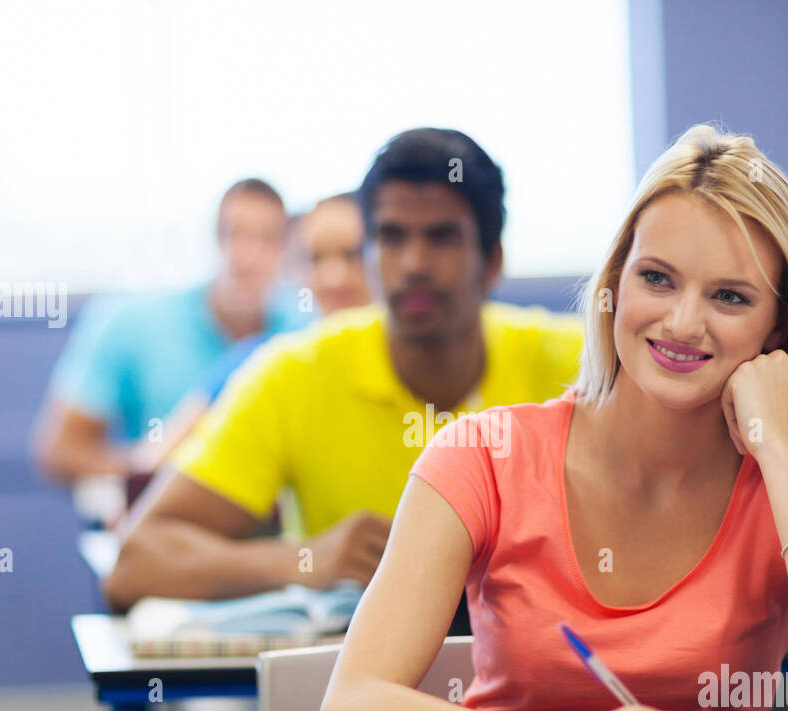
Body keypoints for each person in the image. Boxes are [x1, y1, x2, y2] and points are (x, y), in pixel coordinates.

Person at [315, 123, 788, 711]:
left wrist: (780, 446)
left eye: (730, 296)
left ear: (778, 327)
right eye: (657, 278)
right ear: (615, 286)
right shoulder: (483, 456)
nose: (684, 323)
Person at [103, 128, 584, 612]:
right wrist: (309, 559)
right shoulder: (294, 374)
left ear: (492, 261)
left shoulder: (581, 362)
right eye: (390, 237)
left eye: (442, 238)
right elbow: (133, 563)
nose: (414, 263)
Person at [31, 178, 304, 485]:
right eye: (236, 235)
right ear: (216, 241)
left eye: (268, 239)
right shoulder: (134, 323)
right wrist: (147, 480)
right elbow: (61, 450)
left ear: (287, 250)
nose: (250, 257)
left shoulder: (305, 335)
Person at [135, 193, 374, 472]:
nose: (333, 276)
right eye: (314, 259)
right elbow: (151, 464)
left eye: (352, 254)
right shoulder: (259, 360)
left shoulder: (420, 358)